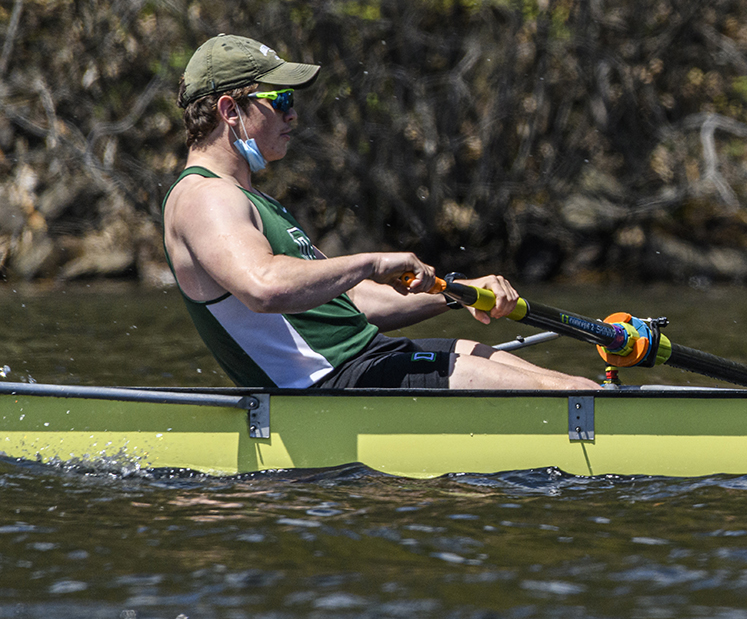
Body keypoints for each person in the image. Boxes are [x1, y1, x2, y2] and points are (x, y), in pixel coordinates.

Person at [161, 34, 598, 392]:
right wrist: (371, 262)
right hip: (327, 385)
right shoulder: (206, 198)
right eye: (281, 100)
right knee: (569, 396)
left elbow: (348, 300)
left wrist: (453, 292)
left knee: (578, 386)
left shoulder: (250, 198)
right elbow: (264, 288)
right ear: (228, 110)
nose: (294, 116)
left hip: (366, 360)